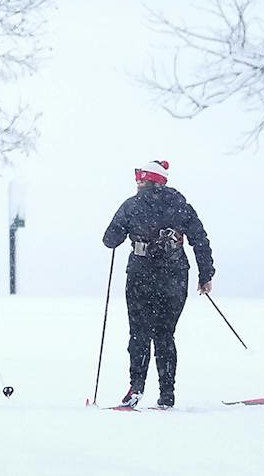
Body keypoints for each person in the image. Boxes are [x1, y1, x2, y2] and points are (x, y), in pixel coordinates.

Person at [100, 159, 215, 409]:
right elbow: (199, 239)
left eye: (139, 179)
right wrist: (205, 275)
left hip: (141, 274)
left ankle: (136, 388)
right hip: (175, 275)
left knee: (139, 333)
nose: (137, 183)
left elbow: (110, 240)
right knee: (165, 335)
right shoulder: (181, 205)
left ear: (147, 180)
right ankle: (167, 394)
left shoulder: (131, 205)